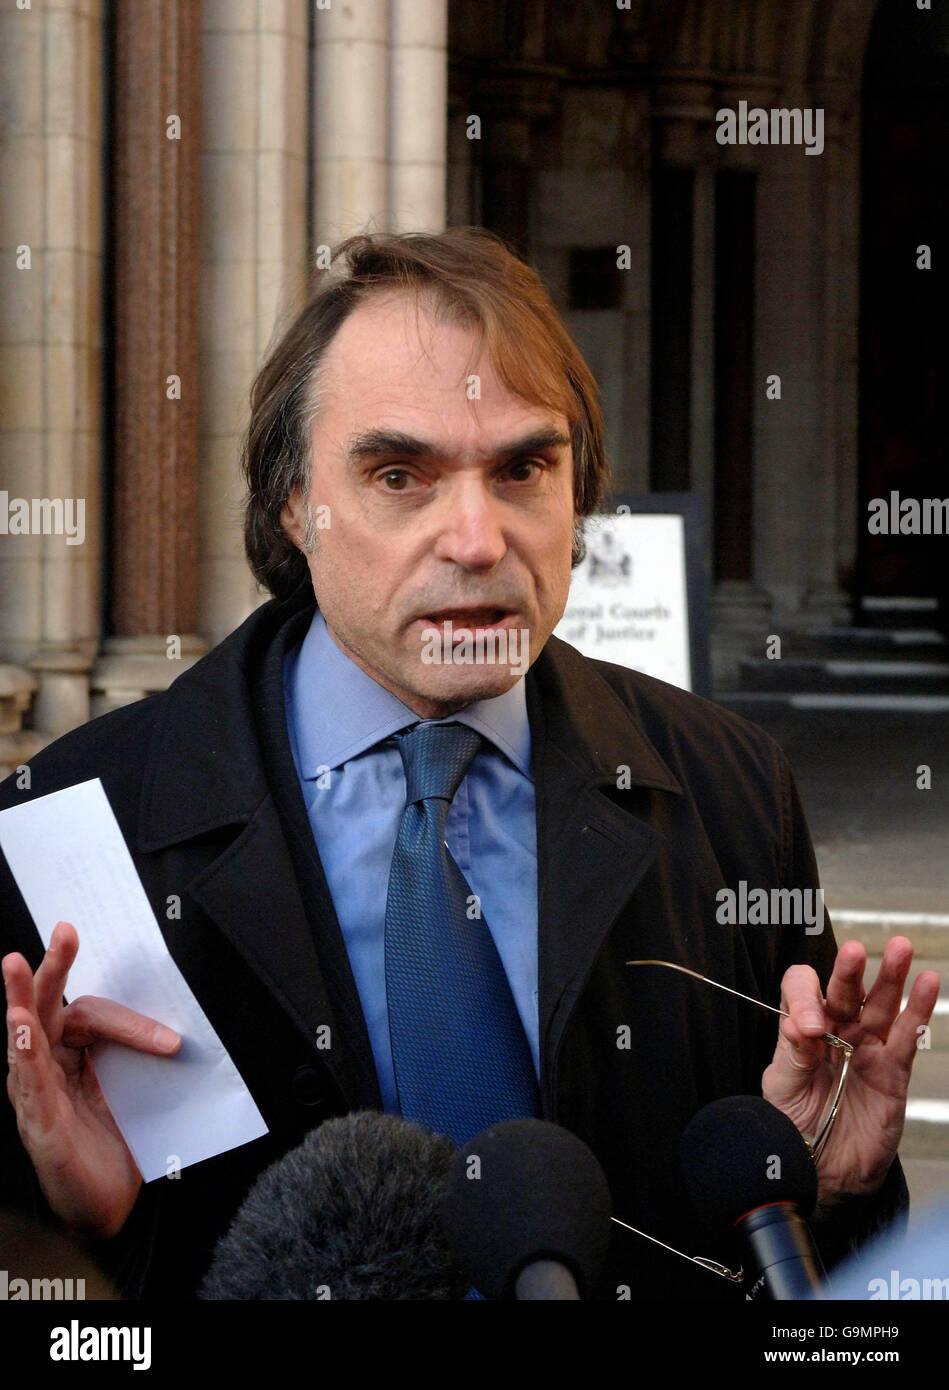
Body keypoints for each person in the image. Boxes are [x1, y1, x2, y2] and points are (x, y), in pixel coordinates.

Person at [1, 229, 939, 1300]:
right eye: (400, 473)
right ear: (290, 503)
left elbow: (807, 1264)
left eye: (523, 468)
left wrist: (830, 1190)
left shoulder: (728, 787)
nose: (478, 538)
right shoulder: (79, 828)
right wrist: (85, 1230)